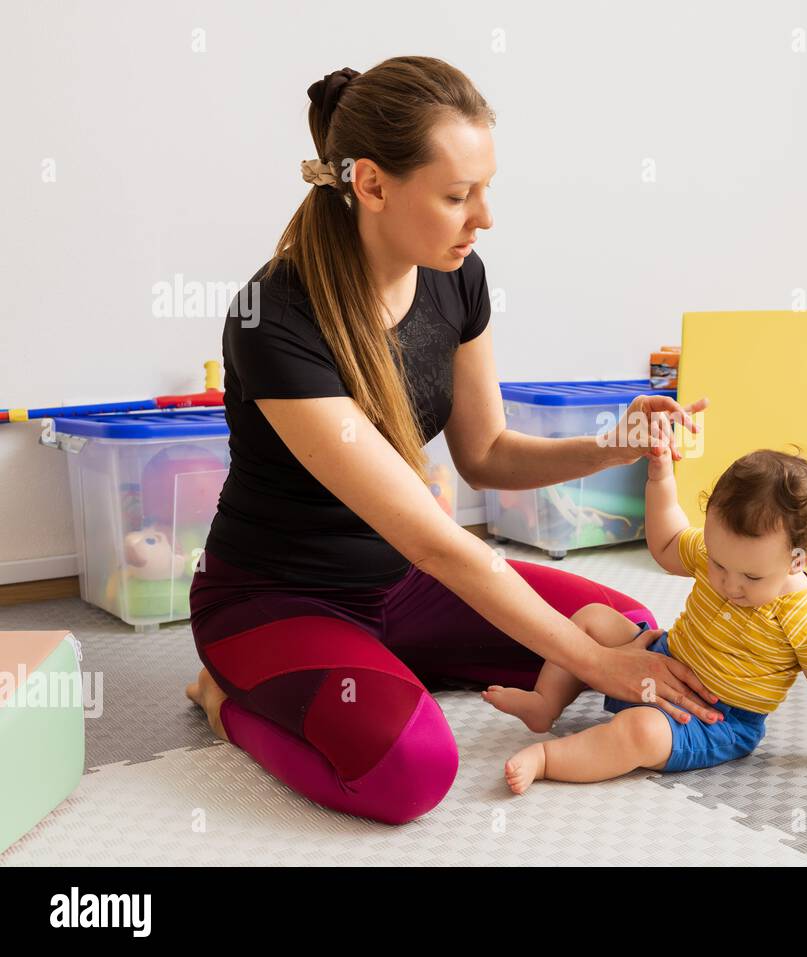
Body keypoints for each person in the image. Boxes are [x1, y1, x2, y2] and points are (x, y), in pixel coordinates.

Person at [185, 56, 715, 826]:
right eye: (458, 195)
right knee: (411, 769)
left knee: (627, 624)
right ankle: (223, 698)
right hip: (278, 600)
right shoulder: (275, 317)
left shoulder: (457, 275)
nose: (485, 217)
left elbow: (488, 453)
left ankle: (393, 666)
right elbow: (439, 541)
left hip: (405, 587)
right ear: (371, 185)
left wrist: (616, 445)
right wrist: (594, 665)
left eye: (487, 189)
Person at [483, 448, 807, 794]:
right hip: (663, 658)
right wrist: (660, 478)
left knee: (640, 732)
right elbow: (667, 543)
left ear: (800, 559)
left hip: (715, 720)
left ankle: (547, 759)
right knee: (594, 618)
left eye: (752, 578)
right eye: (718, 566)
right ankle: (544, 705)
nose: (728, 585)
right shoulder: (724, 553)